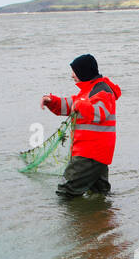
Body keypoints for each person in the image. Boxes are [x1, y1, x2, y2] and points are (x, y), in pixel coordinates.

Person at [41, 54, 121, 198]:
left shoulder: (103, 91)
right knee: (99, 194)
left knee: (65, 191)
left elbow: (99, 113)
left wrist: (80, 104)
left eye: (75, 71)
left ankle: (71, 219)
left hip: (90, 154)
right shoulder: (88, 89)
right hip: (96, 154)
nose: (72, 75)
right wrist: (51, 101)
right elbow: (71, 105)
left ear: (84, 72)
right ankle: (102, 216)